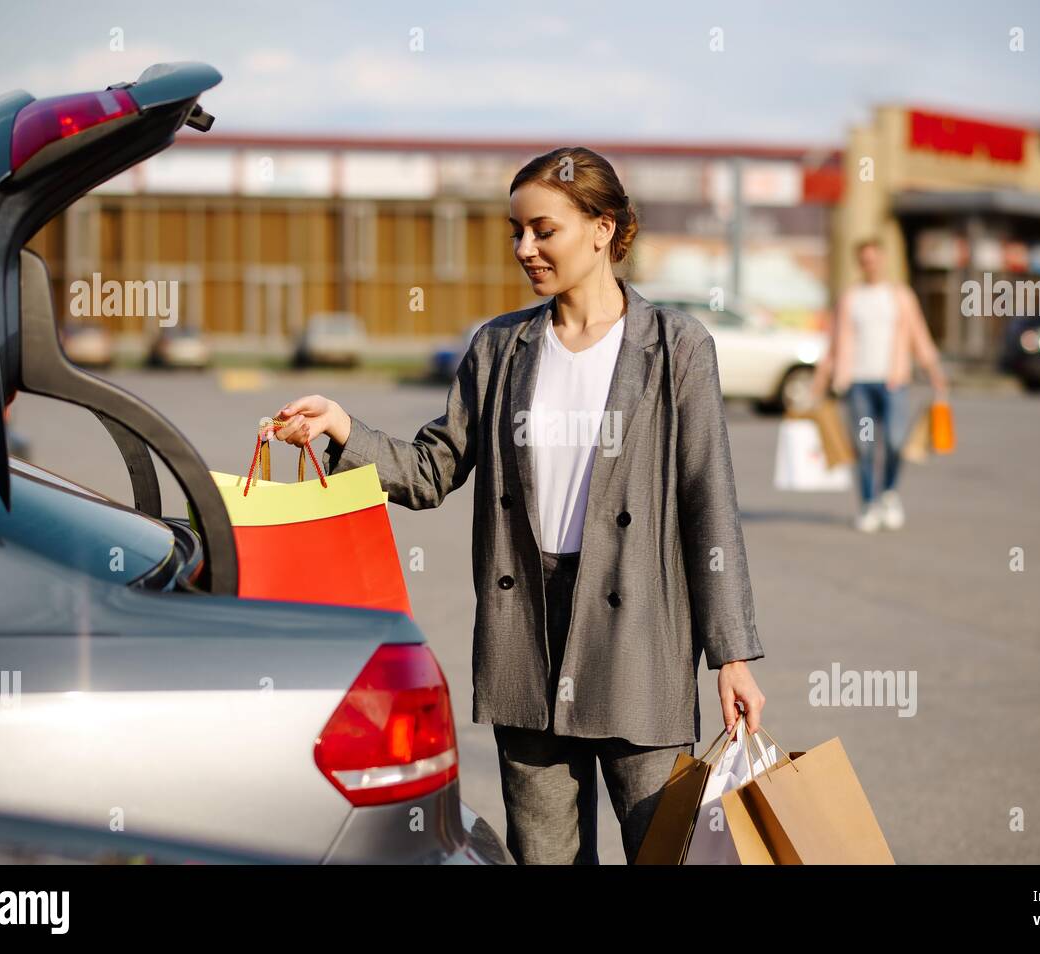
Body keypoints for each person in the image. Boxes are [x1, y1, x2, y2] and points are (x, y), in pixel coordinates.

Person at [269, 146, 767, 865]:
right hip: (524, 632)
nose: (524, 248)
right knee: (545, 860)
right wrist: (342, 429)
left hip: (640, 641)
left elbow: (707, 501)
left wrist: (734, 657)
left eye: (543, 230)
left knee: (664, 855)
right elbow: (431, 469)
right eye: (516, 232)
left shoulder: (676, 346)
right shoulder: (499, 347)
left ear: (603, 228)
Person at [809, 237, 949, 532]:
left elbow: (918, 336)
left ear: (883, 260)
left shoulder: (900, 296)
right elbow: (834, 343)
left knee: (896, 442)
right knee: (865, 446)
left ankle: (889, 493)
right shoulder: (850, 298)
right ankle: (869, 503)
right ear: (859, 263)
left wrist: (934, 371)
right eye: (864, 259)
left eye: (874, 258)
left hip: (893, 382)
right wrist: (820, 381)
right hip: (857, 383)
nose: (869, 264)